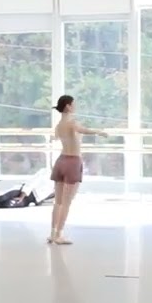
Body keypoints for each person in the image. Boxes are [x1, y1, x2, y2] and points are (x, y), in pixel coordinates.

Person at [48, 95, 106, 244]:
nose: (75, 106)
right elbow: (82, 130)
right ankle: (59, 234)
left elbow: (55, 137)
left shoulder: (59, 125)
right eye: (73, 104)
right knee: (67, 202)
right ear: (68, 106)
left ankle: (52, 233)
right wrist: (99, 132)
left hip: (61, 161)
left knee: (58, 202)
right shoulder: (71, 122)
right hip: (72, 162)